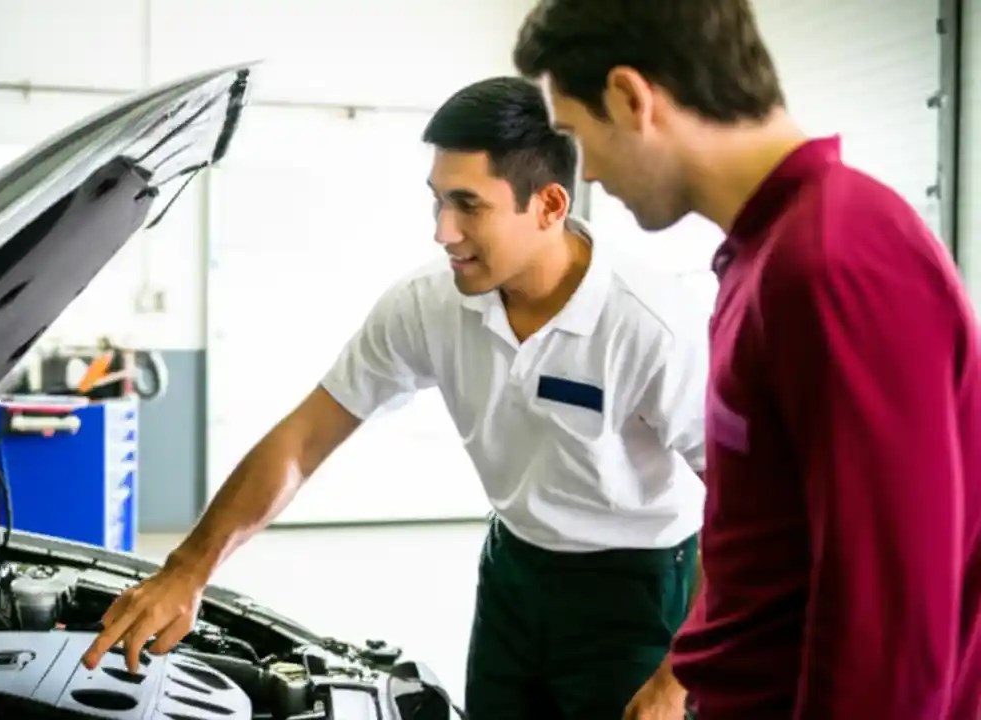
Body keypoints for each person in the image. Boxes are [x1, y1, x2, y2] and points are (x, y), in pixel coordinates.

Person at [82, 76, 712, 720]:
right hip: (514, 574)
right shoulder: (428, 304)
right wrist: (189, 568)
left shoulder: (650, 325)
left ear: (549, 205)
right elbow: (303, 440)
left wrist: (679, 675)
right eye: (437, 201)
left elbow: (744, 502)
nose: (442, 231)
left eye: (469, 205)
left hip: (638, 590)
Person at [512, 1, 981, 719]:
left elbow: (892, 622)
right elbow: (768, 541)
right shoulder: (765, 256)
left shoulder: (835, 262)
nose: (589, 176)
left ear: (630, 97)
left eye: (577, 138)